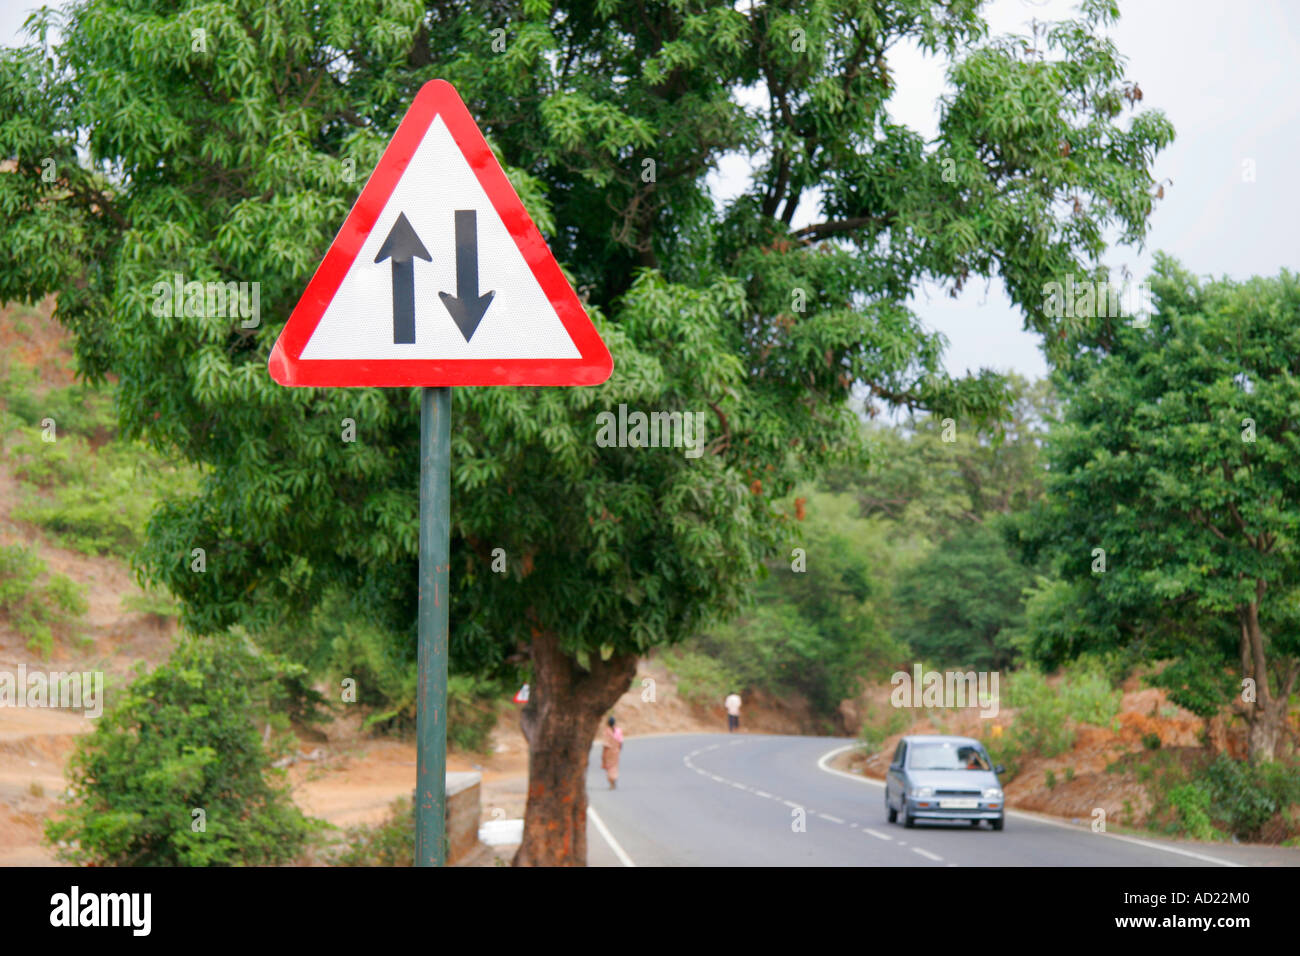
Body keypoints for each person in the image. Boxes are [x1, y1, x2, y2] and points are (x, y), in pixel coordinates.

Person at [601, 716, 623, 790]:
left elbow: (605, 745)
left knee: (609, 767)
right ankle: (614, 779)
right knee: (614, 766)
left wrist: (603, 756)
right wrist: (618, 750)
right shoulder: (618, 731)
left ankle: (611, 782)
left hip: (609, 752)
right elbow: (620, 742)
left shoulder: (606, 732)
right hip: (616, 751)